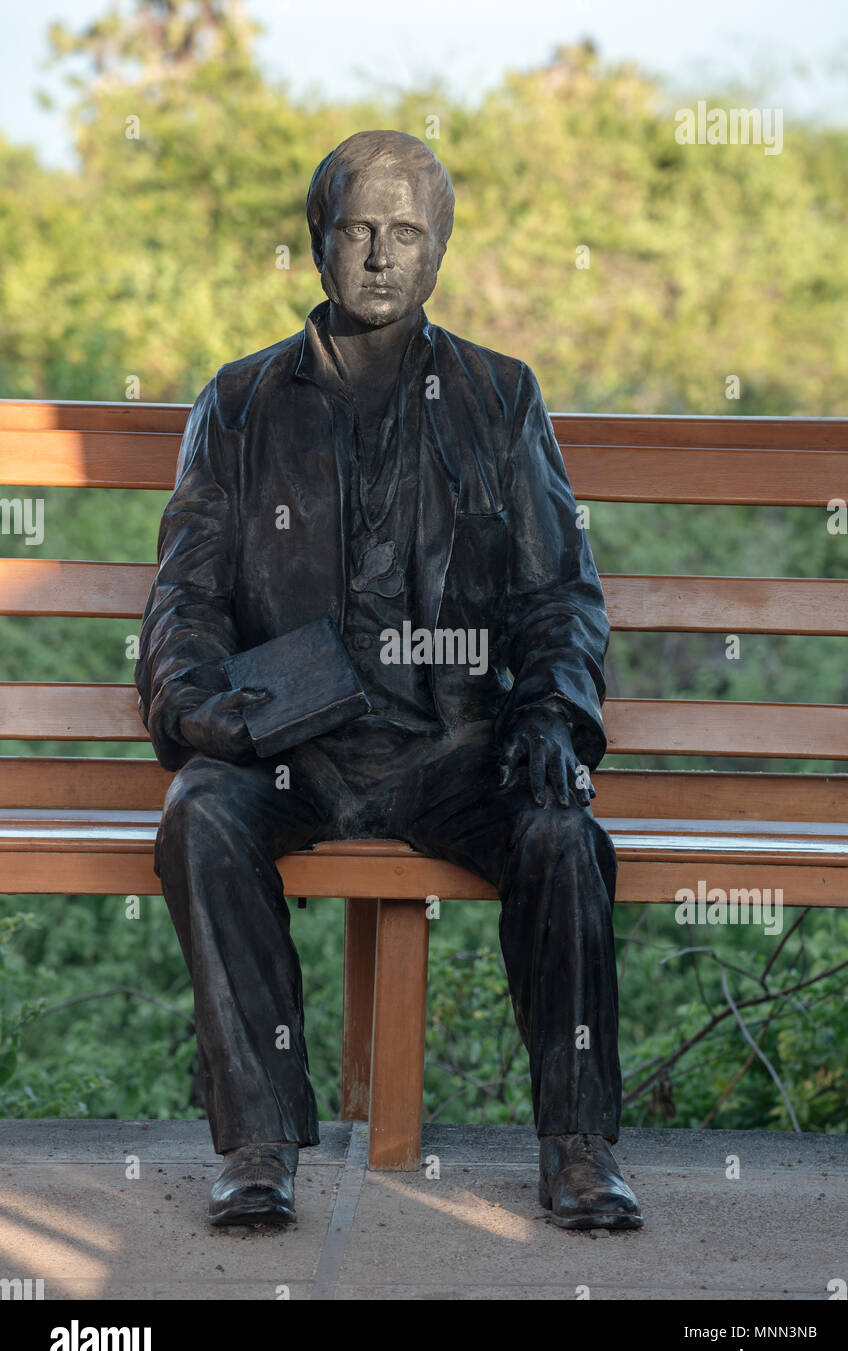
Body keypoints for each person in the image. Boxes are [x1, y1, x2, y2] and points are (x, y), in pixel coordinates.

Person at [135, 129, 642, 1233]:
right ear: (318, 241)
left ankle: (579, 1145)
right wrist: (198, 707)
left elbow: (560, 592)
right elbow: (185, 597)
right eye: (358, 228)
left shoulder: (499, 398)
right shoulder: (238, 403)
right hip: (294, 751)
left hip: (453, 751)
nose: (379, 255)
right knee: (199, 812)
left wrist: (554, 710)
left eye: (406, 232)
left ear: (440, 249)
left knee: (564, 831)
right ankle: (259, 1143)